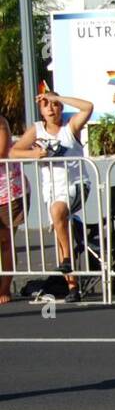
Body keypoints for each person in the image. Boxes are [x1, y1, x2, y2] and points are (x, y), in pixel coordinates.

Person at [8, 91, 94, 302]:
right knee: (60, 235)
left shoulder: (70, 126)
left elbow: (88, 107)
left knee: (58, 212)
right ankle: (72, 287)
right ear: (41, 111)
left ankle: (66, 259)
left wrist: (59, 97)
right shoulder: (37, 129)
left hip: (76, 185)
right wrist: (33, 154)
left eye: (54, 105)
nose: (50, 108)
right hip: (52, 190)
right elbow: (13, 152)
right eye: (46, 105)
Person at [0, 113, 29, 304]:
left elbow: (2, 153)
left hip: (8, 191)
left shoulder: (1, 122)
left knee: (4, 240)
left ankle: (4, 287)